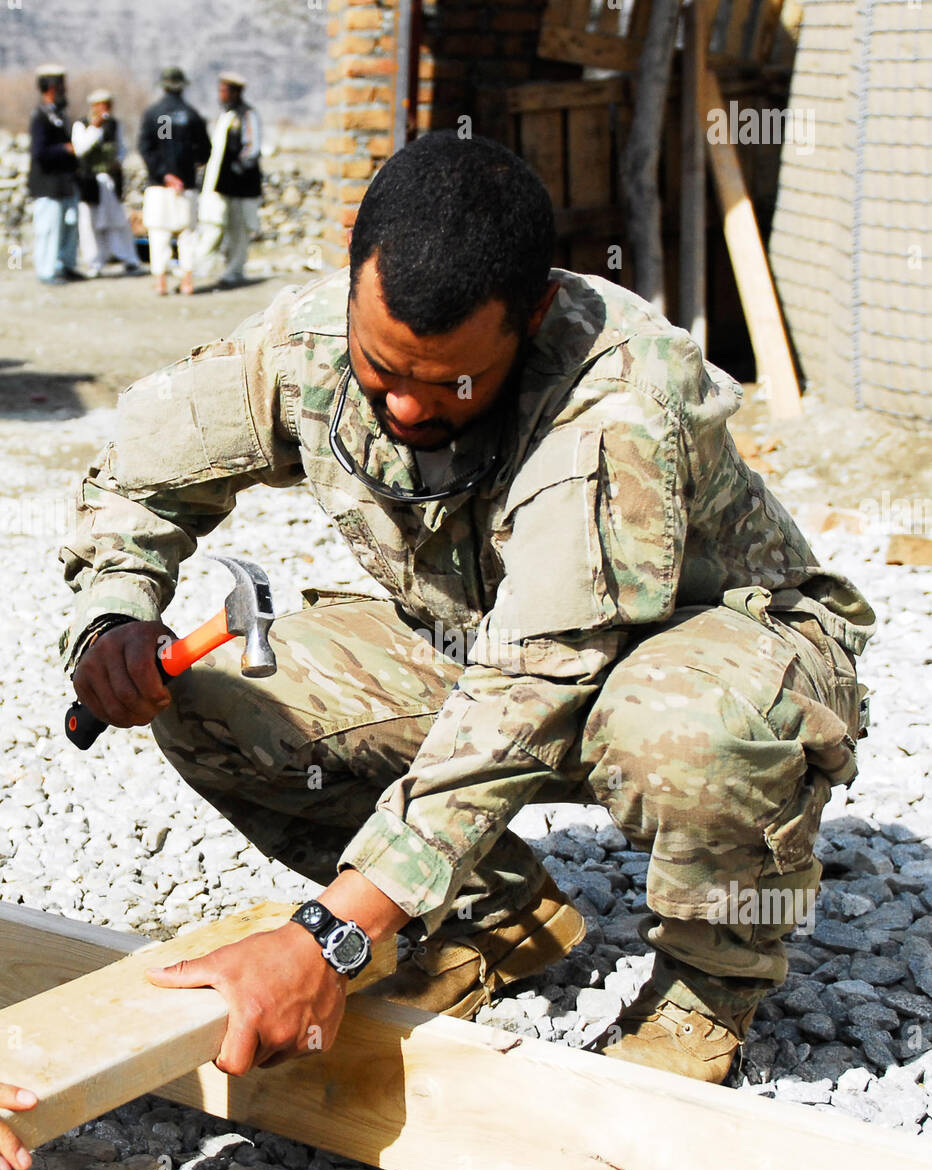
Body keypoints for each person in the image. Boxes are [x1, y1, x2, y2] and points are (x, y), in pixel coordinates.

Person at [57, 132, 875, 1098]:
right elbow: (143, 478)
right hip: (482, 645)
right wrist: (114, 612)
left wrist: (332, 932)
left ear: (530, 317)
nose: (403, 408)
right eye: (381, 368)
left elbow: (539, 679)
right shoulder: (311, 340)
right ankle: (493, 918)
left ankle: (709, 991)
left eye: (448, 383)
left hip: (702, 656)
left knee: (686, 730)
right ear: (356, 281)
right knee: (213, 697)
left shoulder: (614, 399)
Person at [137, 66, 211, 296]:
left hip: (159, 186)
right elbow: (205, 150)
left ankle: (161, 282)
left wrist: (165, 174)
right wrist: (184, 170)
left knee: (159, 234)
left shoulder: (155, 114)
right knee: (187, 234)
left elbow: (147, 148)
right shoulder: (192, 115)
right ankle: (187, 281)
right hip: (186, 184)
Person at [197, 72, 262, 287]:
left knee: (240, 228)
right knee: (220, 226)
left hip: (241, 186)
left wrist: (237, 170)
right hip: (224, 185)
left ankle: (235, 270)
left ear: (235, 92)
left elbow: (251, 149)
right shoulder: (225, 116)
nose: (221, 95)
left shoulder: (247, 115)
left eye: (224, 91)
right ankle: (222, 268)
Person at [72, 90, 142, 278]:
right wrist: (94, 129)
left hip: (110, 181)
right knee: (90, 223)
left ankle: (128, 259)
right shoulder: (82, 125)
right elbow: (80, 149)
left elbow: (121, 147)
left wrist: (118, 161)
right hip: (90, 181)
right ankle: (94, 262)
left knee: (118, 221)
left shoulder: (114, 125)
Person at [28, 63, 81, 284]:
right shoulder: (41, 117)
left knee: (69, 226)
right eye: (61, 86)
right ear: (51, 88)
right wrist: (65, 149)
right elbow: (39, 152)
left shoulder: (59, 116)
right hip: (48, 184)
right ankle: (47, 270)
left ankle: (66, 265)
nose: (65, 90)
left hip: (64, 183)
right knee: (48, 229)